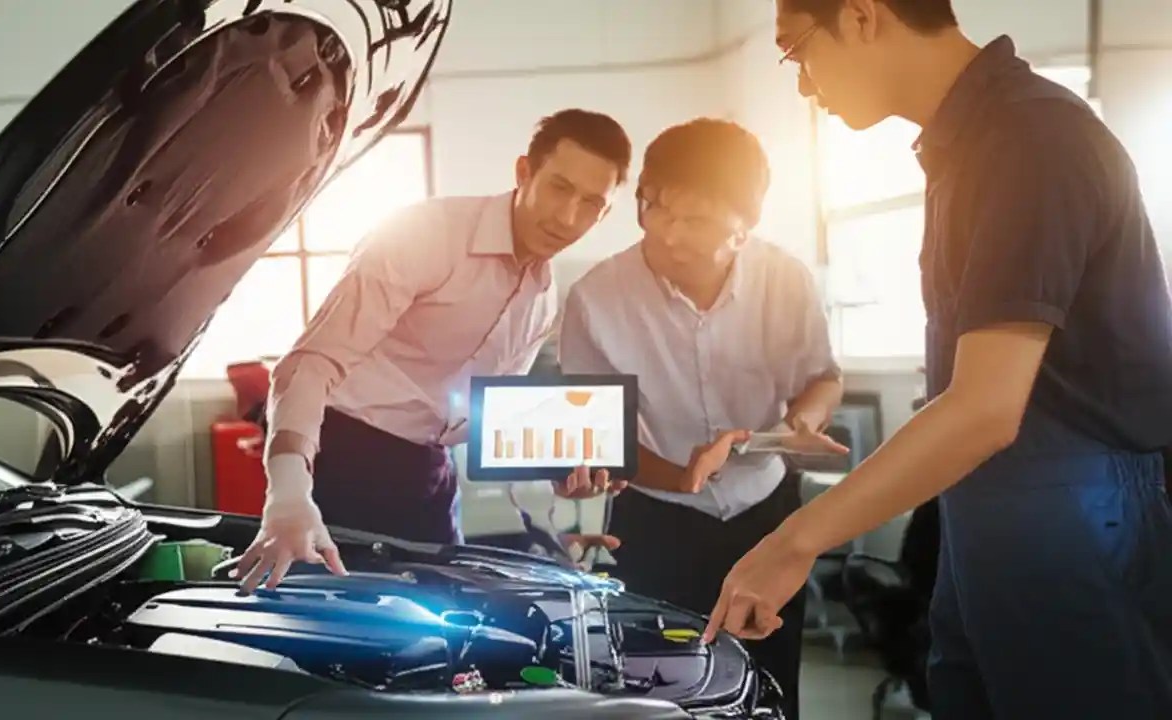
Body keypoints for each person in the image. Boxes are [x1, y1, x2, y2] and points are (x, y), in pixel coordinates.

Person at [704, 2, 1172, 718]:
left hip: (1076, 516)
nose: (801, 82)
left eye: (797, 50)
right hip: (993, 511)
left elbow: (985, 407)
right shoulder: (967, 146)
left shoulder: (1032, 139)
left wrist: (795, 541)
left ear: (862, 15)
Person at [234, 109, 631, 593]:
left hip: (432, 480)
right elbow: (309, 363)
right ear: (524, 171)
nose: (568, 217)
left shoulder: (543, 298)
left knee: (441, 643)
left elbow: (485, 417)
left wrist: (556, 474)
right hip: (346, 459)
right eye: (558, 187)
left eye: (591, 203)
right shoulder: (427, 233)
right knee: (336, 638)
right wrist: (289, 489)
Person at [556, 118, 847, 720]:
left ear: (745, 227)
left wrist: (805, 419)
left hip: (766, 516)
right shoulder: (596, 298)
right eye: (655, 206)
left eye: (697, 220)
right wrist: (677, 476)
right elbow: (598, 439)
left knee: (767, 688)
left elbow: (824, 376)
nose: (668, 232)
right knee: (656, 695)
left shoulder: (783, 280)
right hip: (656, 521)